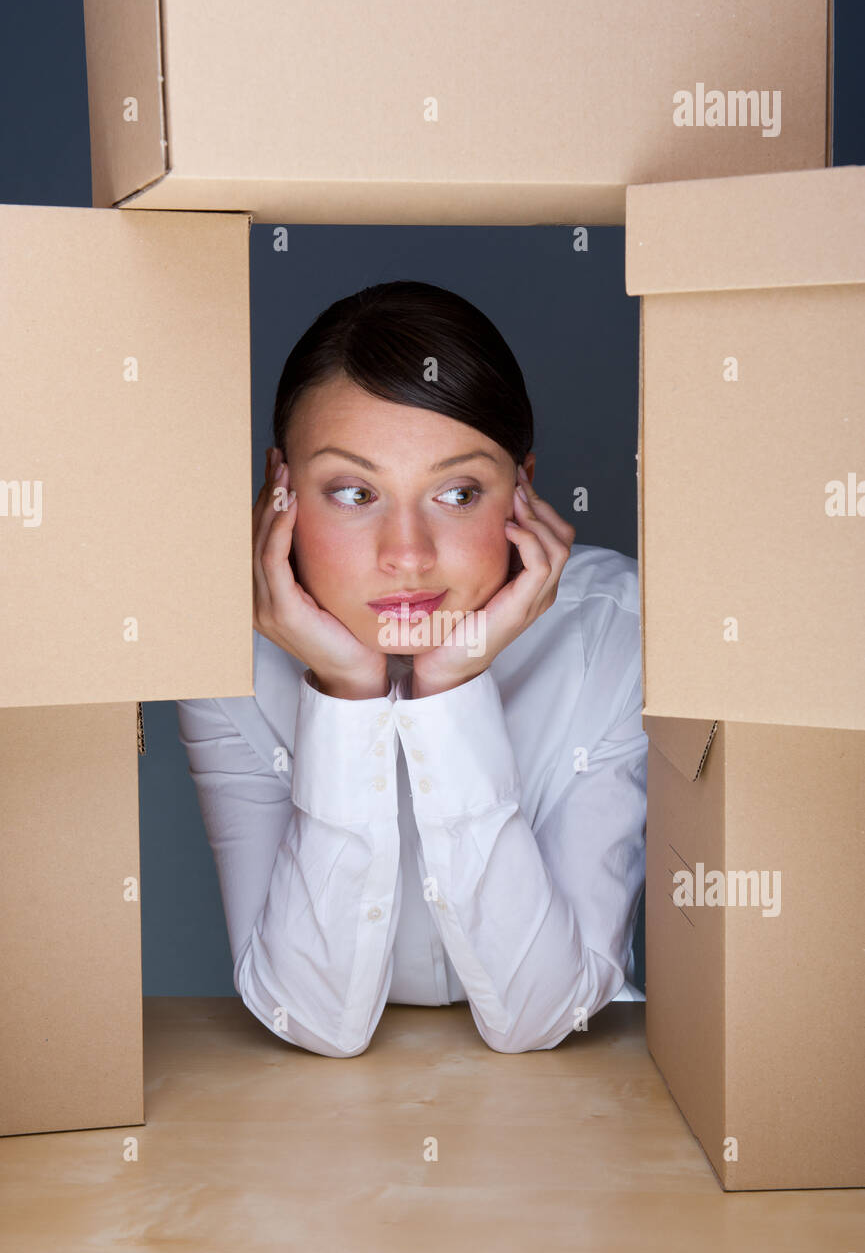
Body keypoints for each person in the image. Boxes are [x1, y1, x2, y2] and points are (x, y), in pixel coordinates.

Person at [176, 280, 647, 1059]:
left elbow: (542, 1014)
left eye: (457, 493)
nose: (406, 553)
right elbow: (310, 1017)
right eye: (354, 492)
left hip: (578, 1112)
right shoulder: (224, 655)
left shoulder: (615, 633)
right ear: (279, 491)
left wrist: (451, 684)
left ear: (521, 489)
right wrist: (345, 691)